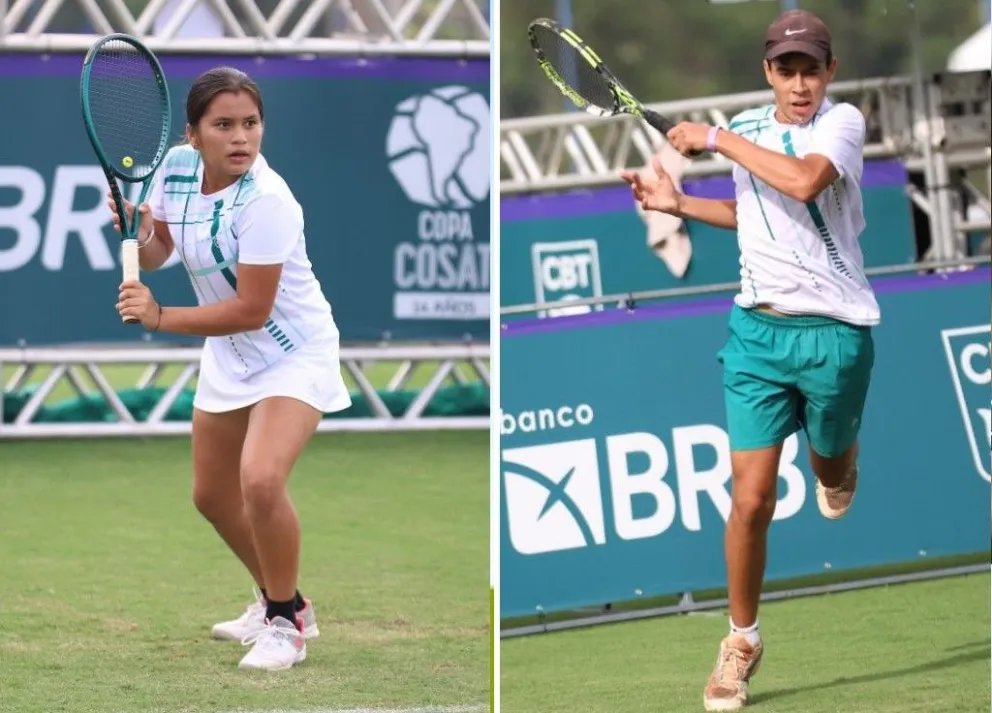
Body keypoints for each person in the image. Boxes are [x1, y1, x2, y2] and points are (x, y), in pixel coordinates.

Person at [622, 9, 878, 711]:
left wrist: (714, 138)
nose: (800, 83)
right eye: (786, 69)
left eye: (812, 69)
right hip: (757, 335)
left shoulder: (842, 123)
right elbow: (754, 212)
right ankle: (740, 640)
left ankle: (840, 459)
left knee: (830, 470)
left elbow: (800, 184)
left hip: (835, 334)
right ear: (768, 71)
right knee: (750, 497)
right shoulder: (748, 130)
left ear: (830, 73)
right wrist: (680, 201)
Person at [110, 66, 352, 671]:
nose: (241, 137)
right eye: (224, 125)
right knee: (213, 496)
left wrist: (160, 317)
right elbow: (163, 249)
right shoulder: (176, 167)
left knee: (261, 480)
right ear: (193, 135)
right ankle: (284, 599)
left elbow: (250, 308)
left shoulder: (269, 202)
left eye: (251, 123)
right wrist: (139, 235)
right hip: (232, 356)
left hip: (294, 350)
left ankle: (284, 626)